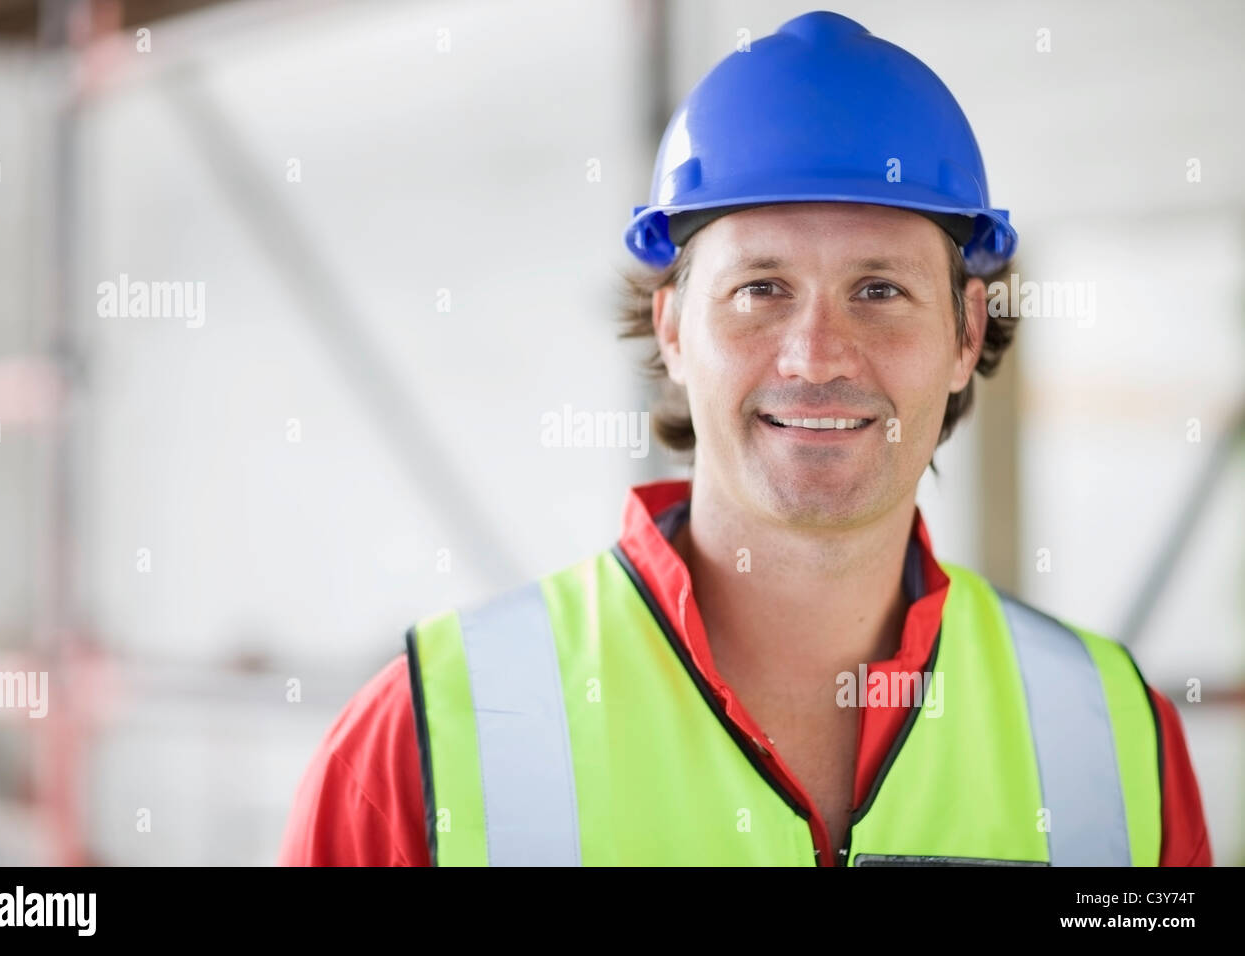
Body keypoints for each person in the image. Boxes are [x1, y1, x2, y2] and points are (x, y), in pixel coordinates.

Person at [280, 10, 1211, 866]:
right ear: (676, 329)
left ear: (967, 334)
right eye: (760, 289)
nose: (814, 358)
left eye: (879, 290)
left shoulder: (1115, 739)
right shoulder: (421, 741)